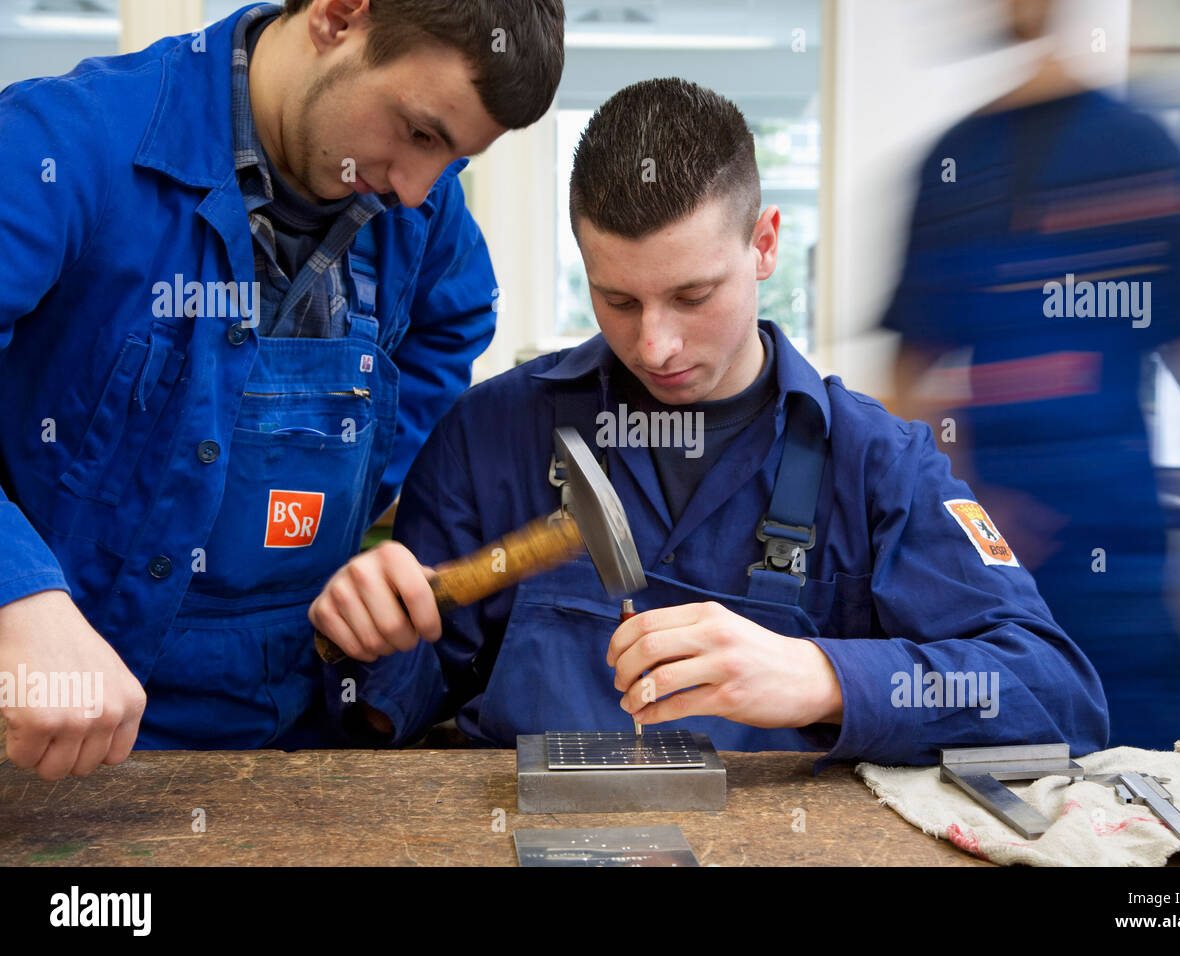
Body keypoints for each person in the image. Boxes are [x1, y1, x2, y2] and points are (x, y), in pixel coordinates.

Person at [310, 78, 1108, 767]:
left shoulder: (875, 463)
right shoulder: (494, 434)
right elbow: (384, 717)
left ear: (764, 246)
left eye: (692, 296)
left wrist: (821, 678)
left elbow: (1058, 697)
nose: (654, 345)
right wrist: (369, 643)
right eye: (617, 299)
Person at [0, 0, 565, 777]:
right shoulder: (61, 145)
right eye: (421, 132)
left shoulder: (421, 206)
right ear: (338, 16)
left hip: (289, 745)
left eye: (455, 158)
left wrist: (355, 496)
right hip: (51, 733)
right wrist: (17, 596)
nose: (415, 190)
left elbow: (455, 317)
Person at [883, 0, 1180, 754]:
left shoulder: (1140, 150)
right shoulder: (952, 166)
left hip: (1126, 587)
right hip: (996, 596)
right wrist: (966, 514)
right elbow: (906, 410)